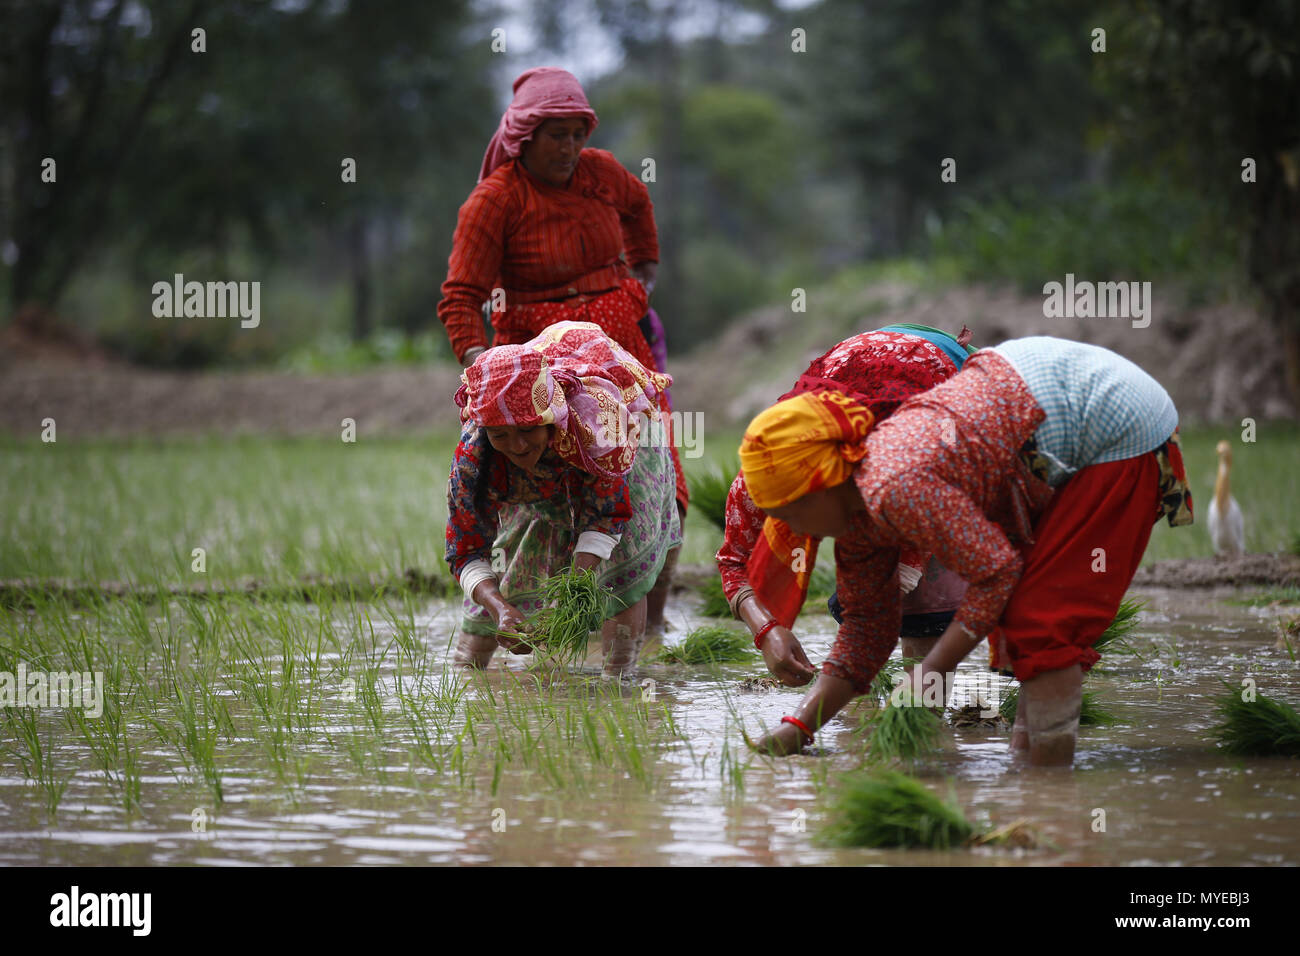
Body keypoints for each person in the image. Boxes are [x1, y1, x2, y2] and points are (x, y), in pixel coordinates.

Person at [742, 336, 1193, 766]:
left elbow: (996, 574)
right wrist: (799, 728)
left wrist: (930, 672)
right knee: (1025, 621)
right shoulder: (858, 523)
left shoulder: (894, 485)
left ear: (822, 486)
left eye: (791, 512)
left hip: (1110, 418)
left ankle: (1049, 791)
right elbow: (865, 628)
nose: (793, 529)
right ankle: (1027, 766)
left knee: (1044, 623)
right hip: (1037, 407)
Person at [437, 65, 687, 628]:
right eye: (558, 136)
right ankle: (545, 619)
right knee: (540, 504)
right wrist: (492, 377)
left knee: (653, 481)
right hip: (535, 376)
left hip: (616, 357)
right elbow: (460, 298)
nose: (572, 147)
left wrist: (640, 280)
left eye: (579, 133)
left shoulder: (603, 175)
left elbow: (639, 207)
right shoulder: (495, 202)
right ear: (524, 139)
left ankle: (650, 622)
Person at [716, 325, 975, 686]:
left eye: (796, 514)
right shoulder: (765, 468)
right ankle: (878, 710)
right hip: (855, 372)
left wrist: (866, 613)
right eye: (781, 517)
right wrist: (767, 631)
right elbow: (733, 561)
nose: (801, 532)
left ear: (829, 486)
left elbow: (878, 606)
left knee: (924, 610)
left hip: (936, 379)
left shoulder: (912, 464)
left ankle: (923, 719)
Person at [445, 321, 681, 678]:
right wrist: (500, 609)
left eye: (527, 431)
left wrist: (572, 587)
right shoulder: (475, 456)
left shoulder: (600, 430)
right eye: (501, 436)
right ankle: (467, 667)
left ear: (551, 420)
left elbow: (606, 516)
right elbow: (465, 549)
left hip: (625, 439)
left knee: (621, 559)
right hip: (547, 474)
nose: (518, 446)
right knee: (516, 551)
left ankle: (620, 679)